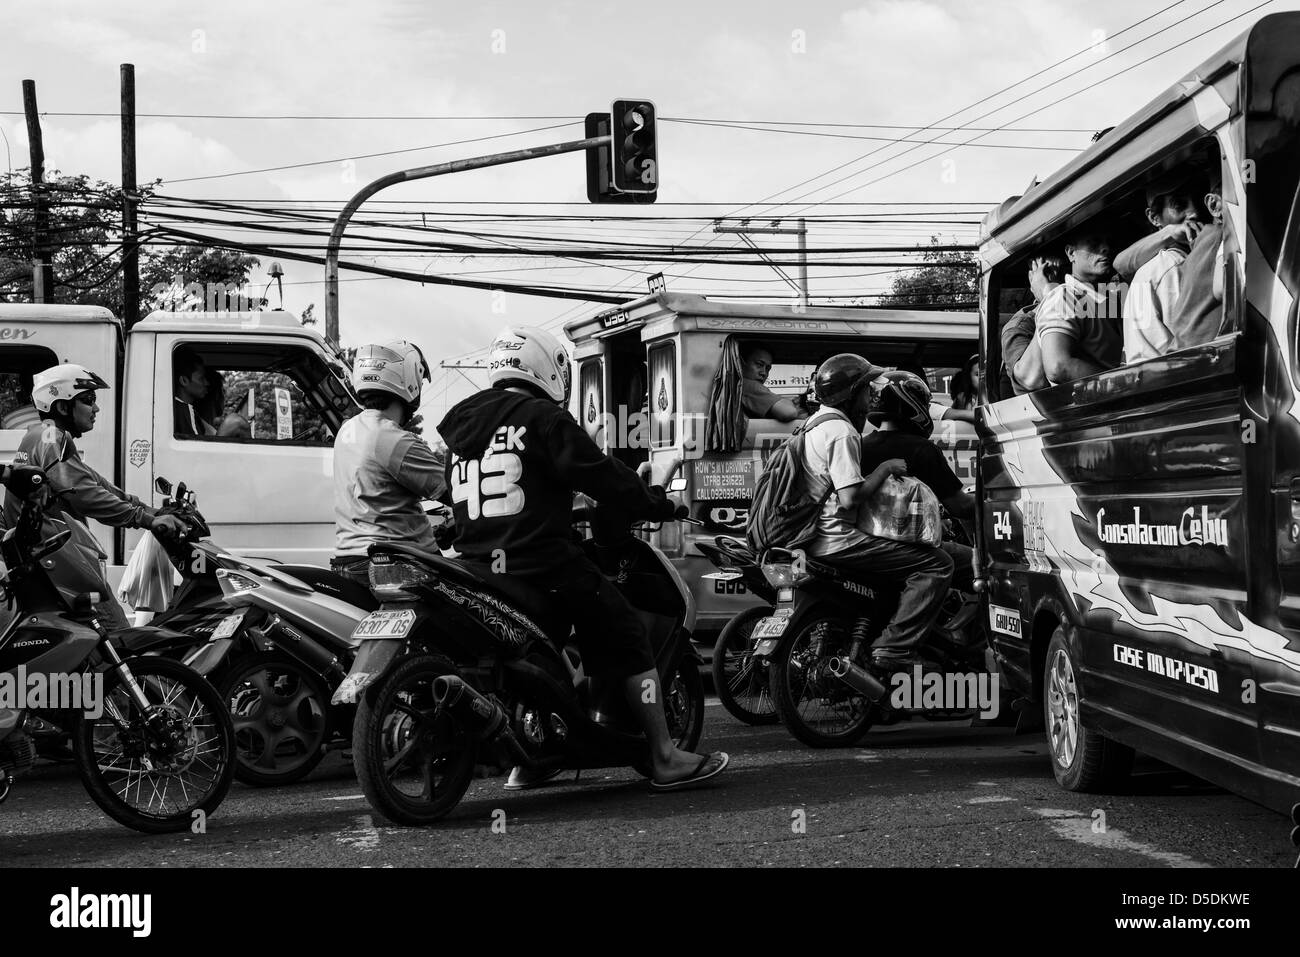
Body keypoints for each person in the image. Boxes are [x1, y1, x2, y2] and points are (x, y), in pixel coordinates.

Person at [438, 325, 729, 792]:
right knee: (625, 633)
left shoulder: (462, 424)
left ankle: (532, 757)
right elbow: (602, 477)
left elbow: (500, 494)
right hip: (543, 564)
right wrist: (654, 501)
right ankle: (664, 754)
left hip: (478, 568)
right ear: (546, 369)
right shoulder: (541, 419)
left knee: (546, 647)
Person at [798, 354, 953, 673]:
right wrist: (885, 469)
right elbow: (850, 498)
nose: (872, 397)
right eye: (867, 390)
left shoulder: (813, 424)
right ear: (851, 394)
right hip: (839, 538)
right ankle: (895, 649)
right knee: (938, 564)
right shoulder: (842, 432)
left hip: (814, 534)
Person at [2, 363, 186, 630]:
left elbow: (96, 484)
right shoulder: (51, 437)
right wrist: (144, 519)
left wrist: (152, 511)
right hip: (56, 564)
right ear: (63, 407)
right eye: (88, 400)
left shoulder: (44, 435)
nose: (96, 409)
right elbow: (84, 494)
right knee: (118, 639)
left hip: (48, 561)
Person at [331, 340, 447, 587]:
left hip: (348, 561)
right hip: (399, 563)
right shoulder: (394, 440)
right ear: (409, 380)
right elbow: (456, 493)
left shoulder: (347, 430)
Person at [861, 371, 976, 591]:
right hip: (908, 545)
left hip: (868, 542)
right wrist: (992, 499)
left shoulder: (861, 445)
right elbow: (960, 506)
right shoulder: (921, 449)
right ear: (913, 404)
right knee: (975, 563)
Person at [1120, 171, 1206, 363]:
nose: (1194, 212)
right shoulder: (1172, 267)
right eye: (1179, 205)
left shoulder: (1156, 267)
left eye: (1196, 199)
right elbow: (1192, 345)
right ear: (1154, 217)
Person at [1037, 228, 1122, 386]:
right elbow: (1059, 366)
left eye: (1109, 243)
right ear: (1071, 253)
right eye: (1094, 243)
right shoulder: (1064, 298)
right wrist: (1121, 383)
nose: (1106, 248)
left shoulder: (1108, 299)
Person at [1168, 169, 1227, 350]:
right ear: (1214, 205)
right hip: (1203, 356)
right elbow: (1222, 286)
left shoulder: (1202, 241)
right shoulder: (1224, 235)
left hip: (1185, 353)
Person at [1002, 254, 1064, 395]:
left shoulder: (1087, 310)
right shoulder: (1021, 326)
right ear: (1033, 280)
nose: (1057, 281)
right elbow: (1032, 380)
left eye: (1062, 273)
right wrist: (1048, 300)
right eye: (1048, 273)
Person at [739, 343, 808, 422]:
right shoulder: (748, 385)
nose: (764, 373)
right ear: (741, 363)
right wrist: (791, 404)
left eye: (768, 368)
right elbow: (788, 412)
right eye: (759, 364)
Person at [173, 348, 210, 437]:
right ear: (184, 380)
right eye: (201, 378)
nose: (207, 383)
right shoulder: (184, 409)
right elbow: (198, 448)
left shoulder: (176, 407)